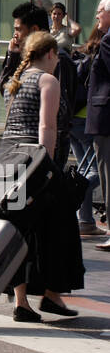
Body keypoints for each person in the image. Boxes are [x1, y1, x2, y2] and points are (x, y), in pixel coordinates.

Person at [0, 31, 84, 320]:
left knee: (22, 229)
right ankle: (51, 295)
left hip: (7, 160)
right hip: (34, 161)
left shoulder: (17, 80)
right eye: (57, 55)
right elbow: (46, 127)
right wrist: (46, 165)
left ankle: (22, 301)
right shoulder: (48, 80)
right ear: (50, 54)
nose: (58, 60)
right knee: (61, 227)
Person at [0, 1, 75, 167]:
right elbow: (6, 91)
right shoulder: (25, 58)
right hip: (28, 151)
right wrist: (12, 57)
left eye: (18, 29)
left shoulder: (56, 58)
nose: (15, 34)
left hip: (40, 149)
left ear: (34, 30)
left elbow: (61, 112)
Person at [71, 25, 106, 237]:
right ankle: (73, 199)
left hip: (71, 119)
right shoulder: (103, 52)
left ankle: (84, 221)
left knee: (84, 170)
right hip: (87, 119)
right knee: (97, 172)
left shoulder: (84, 51)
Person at [87, 0, 110, 252]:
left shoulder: (108, 41)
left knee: (107, 175)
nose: (97, 15)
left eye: (101, 10)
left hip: (106, 120)